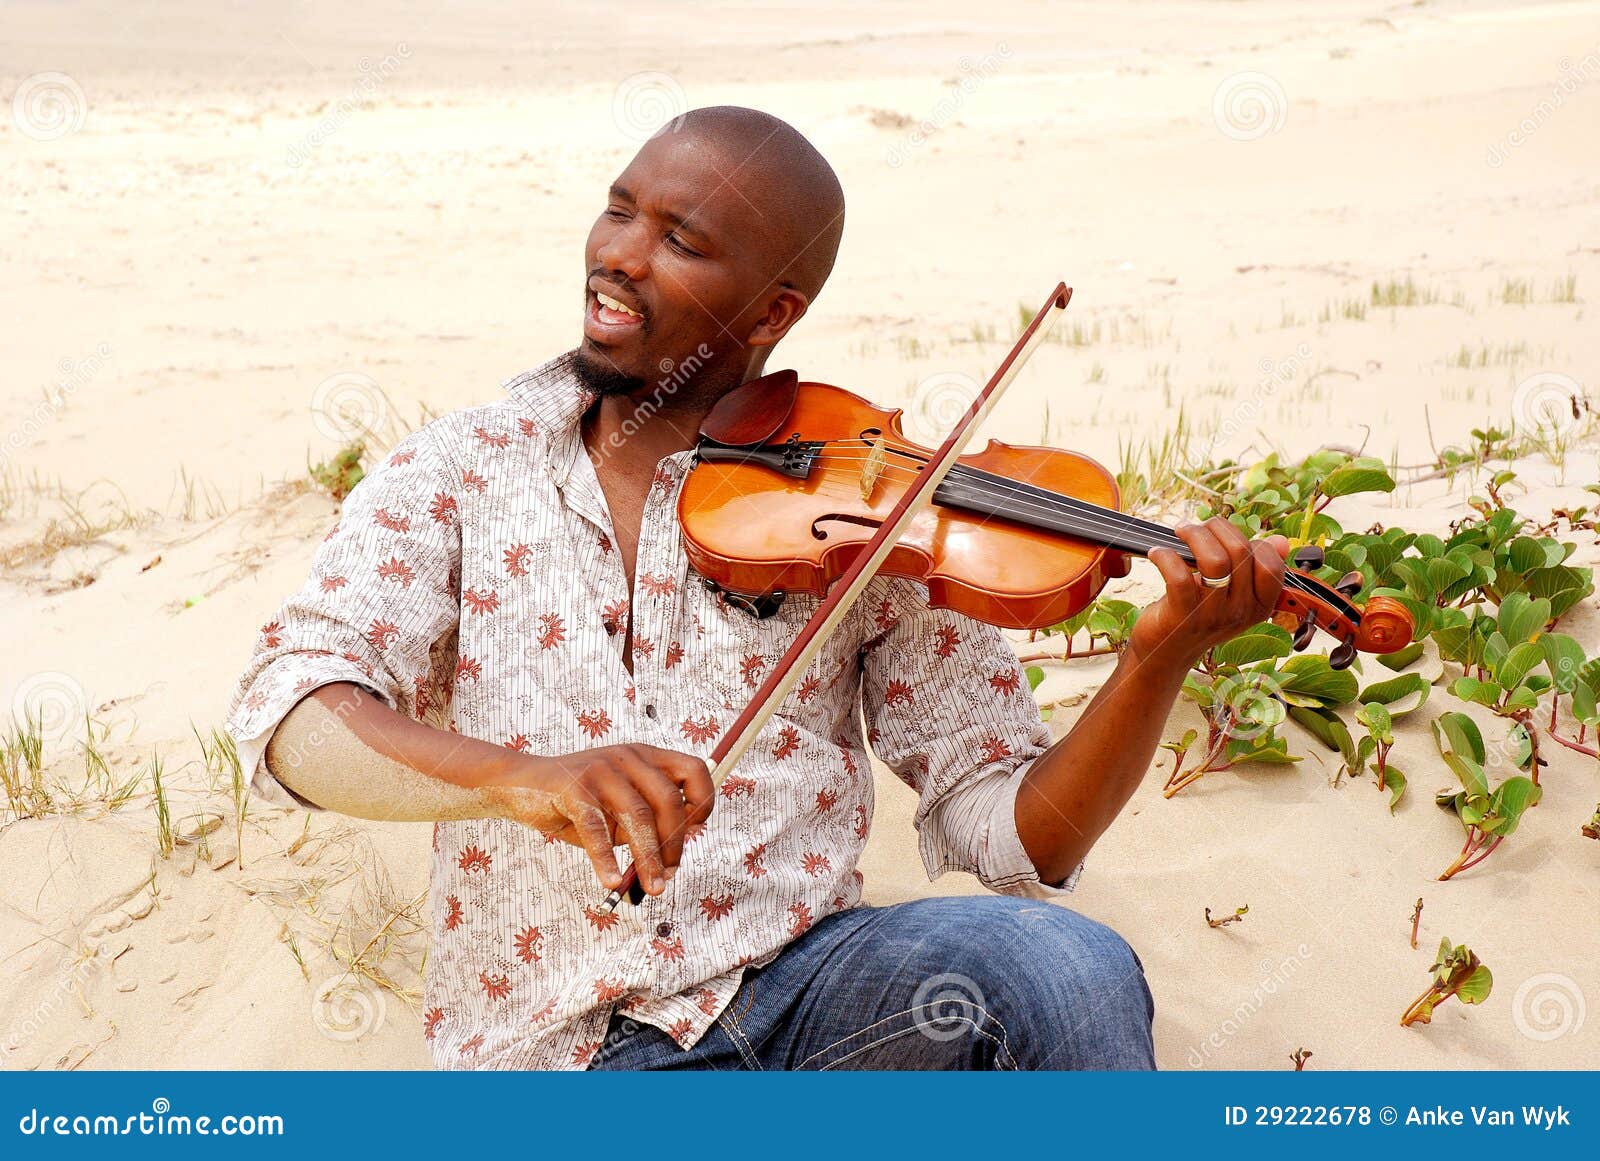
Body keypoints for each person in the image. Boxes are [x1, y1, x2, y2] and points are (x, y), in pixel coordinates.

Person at [224, 106, 1287, 1071]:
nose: (621, 258)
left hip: (812, 994)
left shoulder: (874, 503)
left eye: (681, 243)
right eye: (619, 212)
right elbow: (296, 723)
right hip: (566, 1051)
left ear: (773, 309)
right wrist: (522, 778)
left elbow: (1018, 837)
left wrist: (1157, 659)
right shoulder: (461, 468)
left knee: (1062, 969)